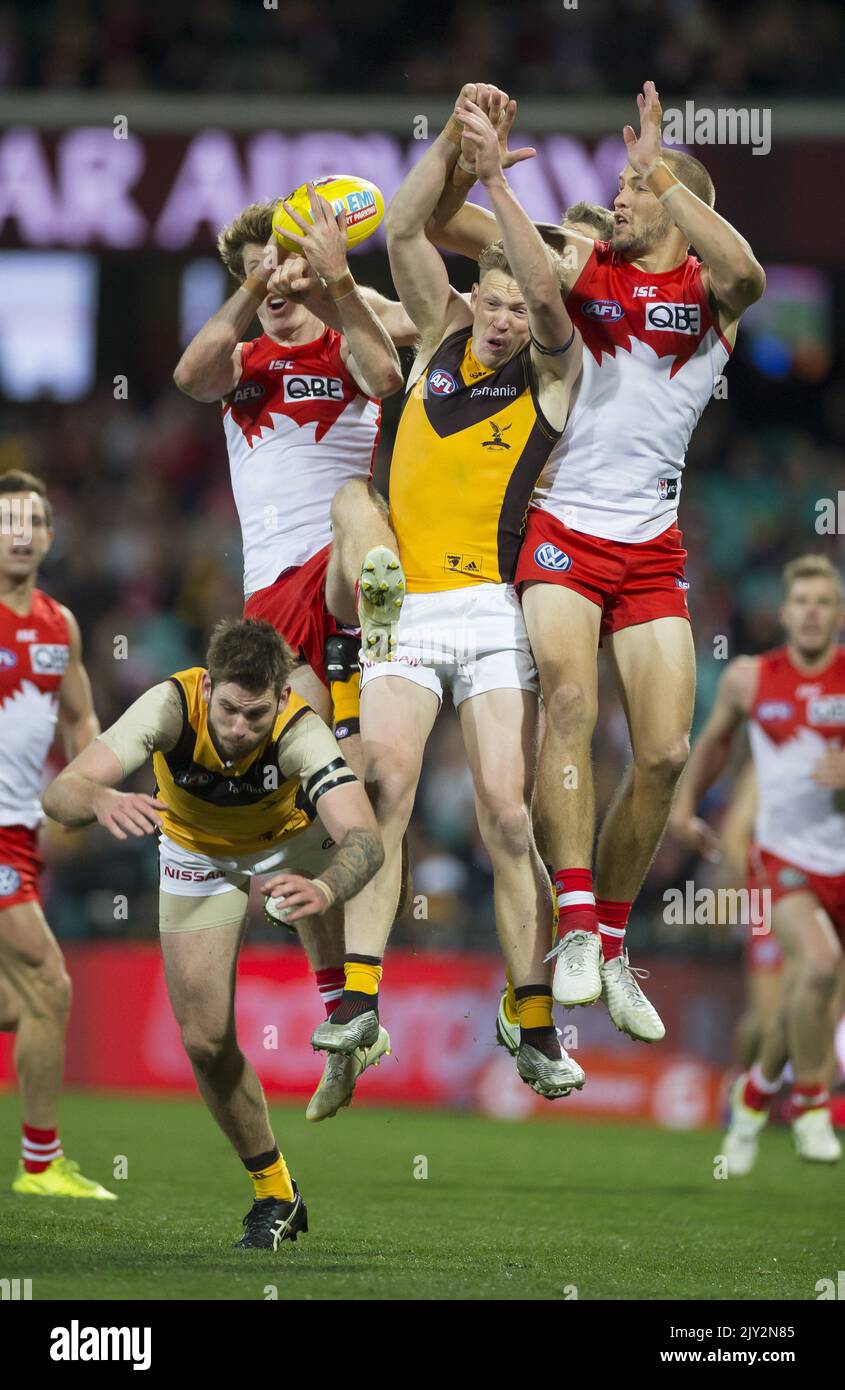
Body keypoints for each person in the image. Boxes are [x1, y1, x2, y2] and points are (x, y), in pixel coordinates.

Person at [421, 79, 766, 1044]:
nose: (617, 194)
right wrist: (474, 161)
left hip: (651, 546)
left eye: (634, 186)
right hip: (562, 531)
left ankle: (609, 941)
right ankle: (575, 922)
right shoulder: (584, 269)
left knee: (660, 752)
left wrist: (662, 170)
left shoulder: (709, 297)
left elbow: (746, 271)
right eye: (618, 179)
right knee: (569, 703)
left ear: (677, 202)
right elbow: (460, 230)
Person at [310, 89, 584, 1102]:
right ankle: (360, 1005)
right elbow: (399, 225)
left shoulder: (552, 376)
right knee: (382, 788)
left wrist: (498, 173)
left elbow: (556, 300)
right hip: (401, 613)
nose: (511, 319)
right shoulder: (434, 339)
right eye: (499, 301)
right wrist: (450, 139)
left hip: (485, 614)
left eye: (523, 306)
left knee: (508, 821)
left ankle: (531, 1017)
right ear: (474, 297)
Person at [42, 618, 385, 1247]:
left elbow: (367, 840)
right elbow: (61, 792)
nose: (237, 730)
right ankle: (277, 1193)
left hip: (291, 843)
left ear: (282, 700)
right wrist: (99, 800)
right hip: (198, 852)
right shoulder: (170, 704)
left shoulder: (295, 730)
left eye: (255, 716)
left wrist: (328, 888)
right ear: (208, 691)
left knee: (370, 792)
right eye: (227, 709)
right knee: (204, 1042)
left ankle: (350, 1006)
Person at [174, 183, 403, 1119]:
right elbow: (190, 376)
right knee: (287, 847)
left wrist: (339, 279)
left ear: (313, 260)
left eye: (281, 261)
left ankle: (362, 657)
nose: (270, 278)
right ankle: (344, 1016)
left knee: (357, 509)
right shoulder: (240, 357)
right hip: (270, 611)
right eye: (252, 267)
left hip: (346, 565)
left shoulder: (351, 334)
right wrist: (249, 283)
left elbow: (389, 376)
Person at [671, 555, 845, 1170]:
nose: (812, 612)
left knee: (806, 1001)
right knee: (818, 968)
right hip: (785, 861)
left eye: (824, 601)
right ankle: (812, 1108)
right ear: (784, 611)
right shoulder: (751, 677)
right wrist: (686, 807)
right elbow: (715, 740)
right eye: (801, 601)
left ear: (838, 613)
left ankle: (750, 1095)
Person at [0, 470, 115, 1199]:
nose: (19, 531)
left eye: (31, 521)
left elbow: (81, 719)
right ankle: (40, 1165)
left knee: (19, 1006)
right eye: (6, 519)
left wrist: (90, 782)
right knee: (51, 986)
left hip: (22, 833)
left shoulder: (57, 624)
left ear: (48, 536)